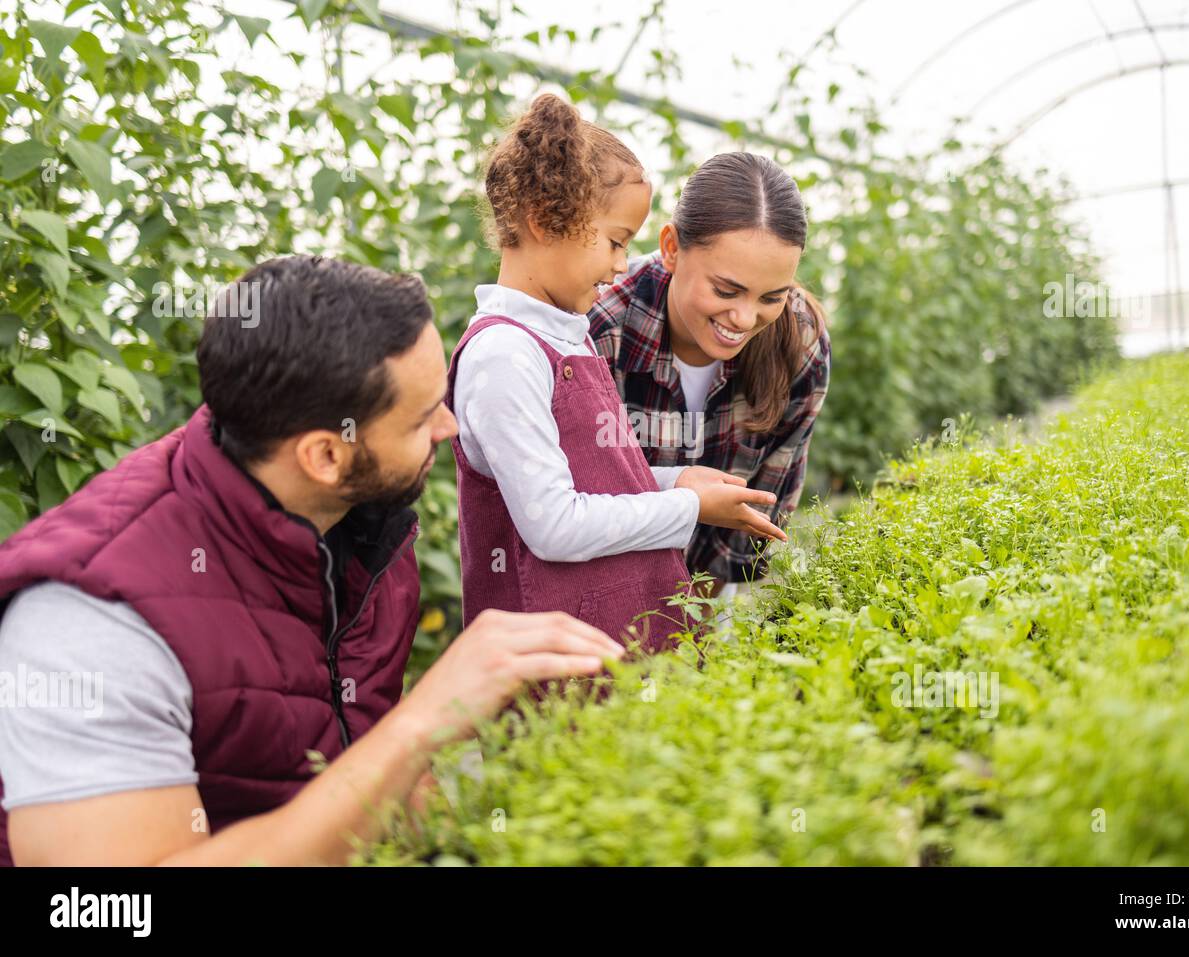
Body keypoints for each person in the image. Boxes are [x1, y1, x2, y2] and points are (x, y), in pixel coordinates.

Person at [0, 255, 622, 866]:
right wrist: (425, 722)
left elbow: (361, 770)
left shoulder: (357, 519)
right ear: (325, 455)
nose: (450, 426)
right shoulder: (92, 620)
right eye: (419, 417)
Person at [447, 96, 785, 652]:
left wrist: (677, 480)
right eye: (615, 241)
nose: (623, 264)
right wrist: (689, 507)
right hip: (549, 668)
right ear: (544, 222)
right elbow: (555, 524)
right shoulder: (504, 353)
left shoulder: (567, 335)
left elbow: (586, 484)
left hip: (604, 648)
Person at [589, 152, 831, 599]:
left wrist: (690, 623)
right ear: (672, 248)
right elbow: (582, 504)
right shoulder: (602, 330)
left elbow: (757, 517)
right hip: (599, 583)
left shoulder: (799, 343)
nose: (743, 317)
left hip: (708, 590)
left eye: (771, 296)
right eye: (725, 290)